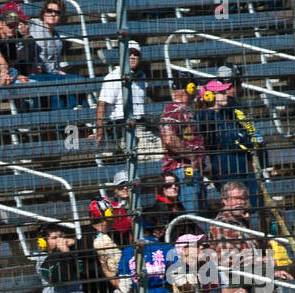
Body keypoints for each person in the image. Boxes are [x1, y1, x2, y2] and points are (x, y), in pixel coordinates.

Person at [208, 180, 294, 293]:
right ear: (225, 200)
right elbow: (229, 260)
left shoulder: (242, 222)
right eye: (236, 199)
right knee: (274, 278)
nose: (240, 203)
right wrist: (263, 262)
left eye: (243, 199)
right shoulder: (221, 224)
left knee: (294, 269)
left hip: (253, 270)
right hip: (235, 275)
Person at [197, 77, 261, 211]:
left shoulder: (228, 114)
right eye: (221, 92)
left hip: (242, 165)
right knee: (235, 205)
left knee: (253, 204)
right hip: (225, 167)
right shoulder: (204, 115)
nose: (226, 95)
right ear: (209, 96)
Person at [92, 40, 156, 155]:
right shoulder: (113, 77)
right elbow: (101, 104)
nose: (132, 57)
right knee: (151, 151)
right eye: (129, 53)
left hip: (141, 124)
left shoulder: (142, 76)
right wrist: (100, 132)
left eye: (136, 54)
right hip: (122, 126)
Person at [160, 74, 207, 216]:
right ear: (189, 89)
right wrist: (192, 156)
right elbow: (169, 138)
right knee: (192, 216)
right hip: (184, 172)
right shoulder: (174, 109)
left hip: (191, 171)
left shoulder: (183, 110)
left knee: (200, 215)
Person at [29, 0, 80, 110]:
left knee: (79, 81)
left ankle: (82, 111)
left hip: (51, 73)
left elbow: (54, 63)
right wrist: (56, 71)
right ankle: (70, 115)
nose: (53, 14)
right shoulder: (37, 29)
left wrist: (57, 71)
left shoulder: (57, 36)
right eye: (49, 11)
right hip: (38, 73)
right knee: (63, 85)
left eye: (57, 12)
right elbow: (40, 60)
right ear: (43, 13)